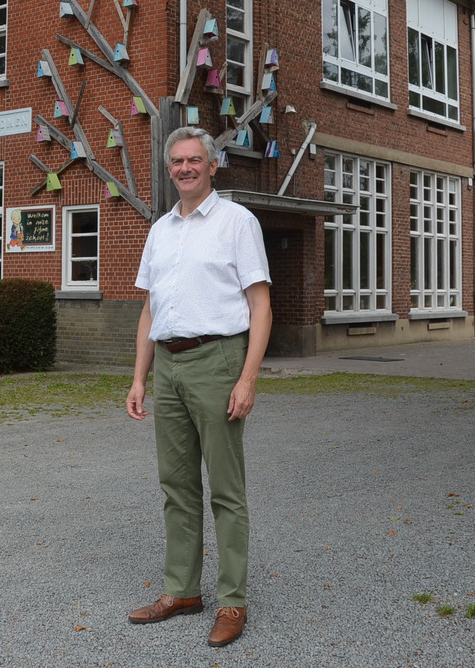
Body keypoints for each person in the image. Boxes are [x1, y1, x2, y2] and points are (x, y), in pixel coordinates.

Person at [125, 126, 272, 648]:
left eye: (194, 160)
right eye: (177, 162)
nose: (185, 168)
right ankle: (181, 590)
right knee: (177, 486)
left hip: (218, 360)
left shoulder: (238, 222)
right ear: (170, 171)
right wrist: (140, 377)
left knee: (227, 491)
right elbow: (149, 309)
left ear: (212, 165)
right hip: (167, 364)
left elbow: (260, 306)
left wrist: (247, 378)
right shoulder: (160, 229)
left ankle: (232, 601)